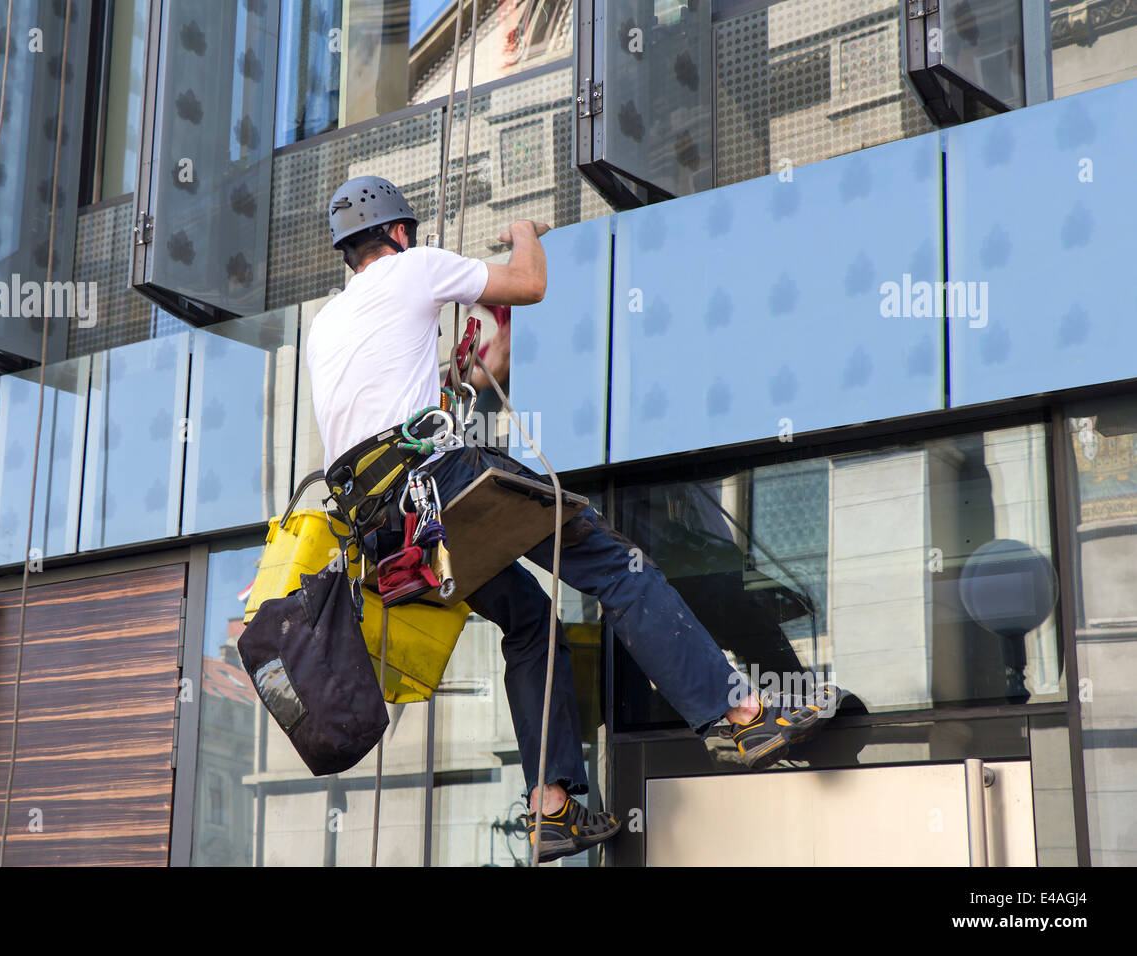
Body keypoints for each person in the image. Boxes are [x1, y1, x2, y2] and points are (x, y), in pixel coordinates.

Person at [306, 176, 840, 863]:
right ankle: (739, 716)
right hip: (440, 486)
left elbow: (423, 392)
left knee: (529, 624)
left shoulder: (328, 324)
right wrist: (529, 234)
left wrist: (462, 362)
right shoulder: (414, 268)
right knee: (619, 568)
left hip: (390, 527)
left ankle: (551, 809)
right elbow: (529, 284)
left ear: (347, 252)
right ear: (400, 234)